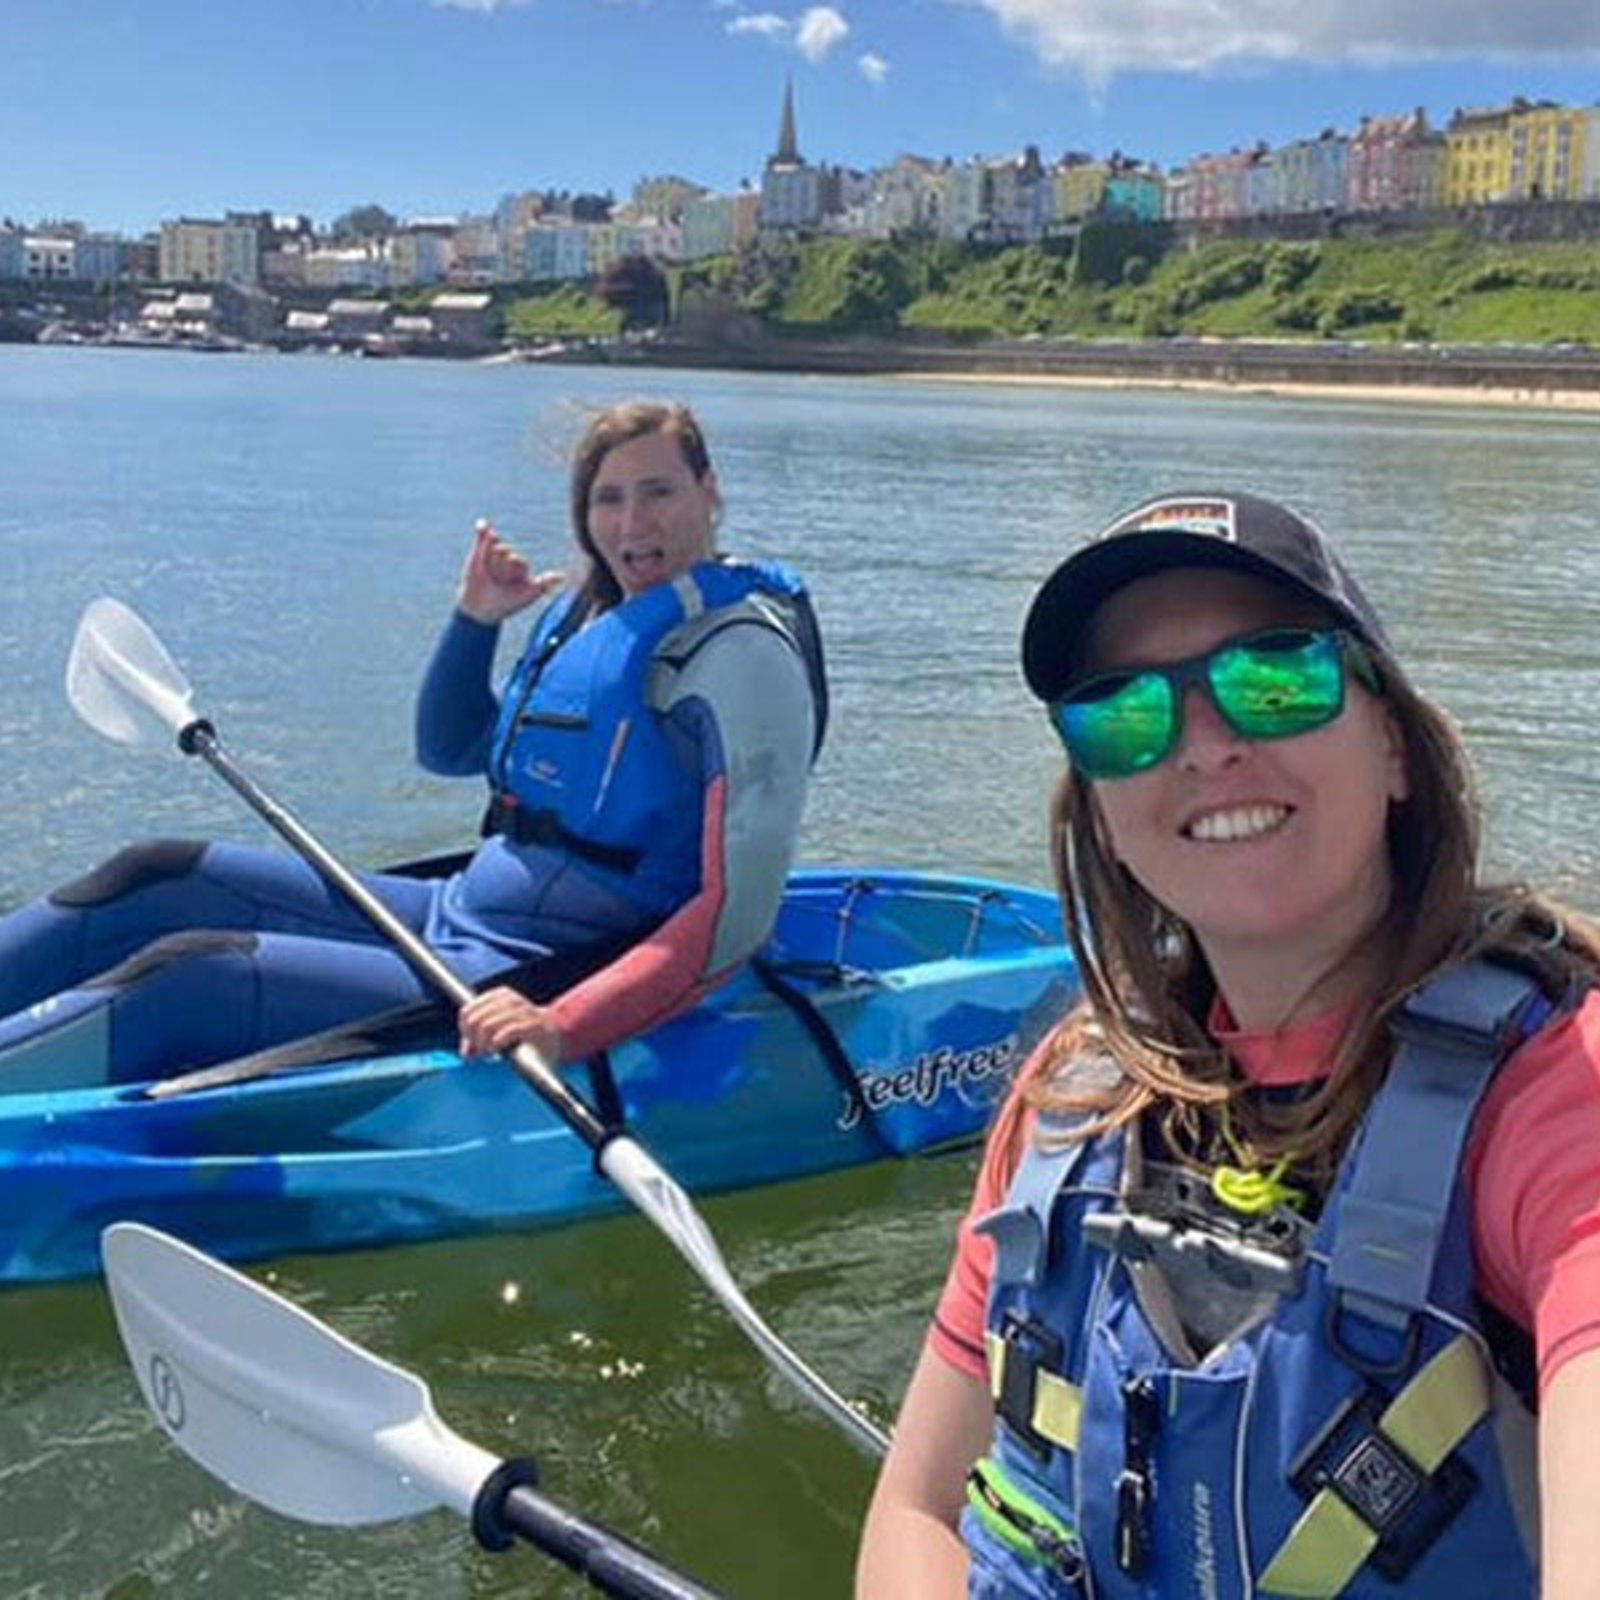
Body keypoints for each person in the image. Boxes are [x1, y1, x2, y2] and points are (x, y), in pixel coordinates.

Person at [856, 491, 1600, 1599]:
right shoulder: (1073, 1097)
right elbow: (919, 1505)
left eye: (1275, 676)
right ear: (1100, 808)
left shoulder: (1554, 1098)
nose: (1205, 745)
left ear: (1393, 741)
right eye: (1122, 713)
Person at [0, 399, 825, 1084]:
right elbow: (454, 747)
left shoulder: (740, 656)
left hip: (561, 963)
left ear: (710, 493)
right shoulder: (590, 617)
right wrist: (473, 622)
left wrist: (560, 1026)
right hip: (455, 912)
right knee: (155, 875)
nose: (631, 522)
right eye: (608, 499)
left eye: (659, 493)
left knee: (193, 977)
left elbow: (733, 918)